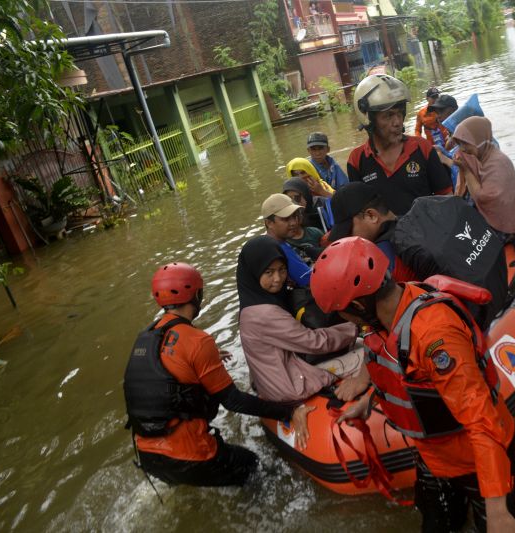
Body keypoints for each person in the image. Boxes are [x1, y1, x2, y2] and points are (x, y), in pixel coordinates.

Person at [310, 238, 515, 532]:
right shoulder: (389, 317)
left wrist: (498, 512)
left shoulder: (434, 336)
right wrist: (369, 401)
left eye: (342, 312)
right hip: (434, 457)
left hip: (475, 459)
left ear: (360, 304)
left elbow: (481, 421)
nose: (343, 318)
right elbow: (407, 376)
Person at [123, 262, 313, 487]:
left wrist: (206, 359)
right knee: (253, 465)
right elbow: (234, 401)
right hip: (190, 457)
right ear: (197, 294)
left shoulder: (147, 336)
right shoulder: (198, 341)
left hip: (148, 457)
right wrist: (289, 411)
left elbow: (164, 372)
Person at [237, 236, 364, 403]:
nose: (277, 278)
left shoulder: (252, 301)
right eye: (268, 272)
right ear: (253, 271)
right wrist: (355, 327)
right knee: (367, 353)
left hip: (278, 373)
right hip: (290, 385)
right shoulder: (265, 314)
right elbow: (313, 343)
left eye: (282, 270)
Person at [348, 74, 453, 216]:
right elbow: (361, 215)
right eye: (388, 116)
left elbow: (446, 197)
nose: (397, 122)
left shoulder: (423, 148)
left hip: (428, 233)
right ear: (369, 119)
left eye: (399, 114)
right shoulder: (356, 160)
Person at [328, 182, 417, 282]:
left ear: (371, 216)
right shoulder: (415, 224)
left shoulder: (380, 258)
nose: (347, 238)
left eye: (348, 230)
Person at [452, 116, 515, 236]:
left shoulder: (496, 163)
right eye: (460, 144)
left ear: (478, 139)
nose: (463, 149)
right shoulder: (486, 158)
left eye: (466, 143)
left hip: (503, 229)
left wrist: (466, 170)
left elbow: (482, 197)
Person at [261, 193, 313, 287]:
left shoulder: (272, 243)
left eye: (294, 216)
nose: (293, 222)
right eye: (286, 219)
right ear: (269, 223)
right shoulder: (278, 249)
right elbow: (310, 281)